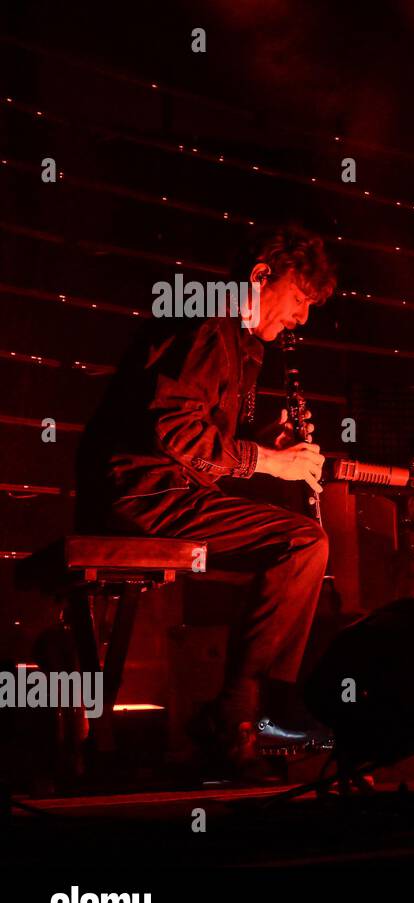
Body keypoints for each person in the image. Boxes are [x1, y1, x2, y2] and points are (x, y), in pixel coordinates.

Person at [76, 224, 336, 779]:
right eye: (297, 299)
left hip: (172, 489)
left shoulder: (244, 343)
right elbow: (175, 430)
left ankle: (246, 714)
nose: (302, 318)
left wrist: (271, 441)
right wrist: (269, 461)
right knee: (302, 542)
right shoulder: (203, 321)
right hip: (143, 491)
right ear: (261, 276)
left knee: (298, 543)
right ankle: (239, 717)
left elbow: (213, 444)